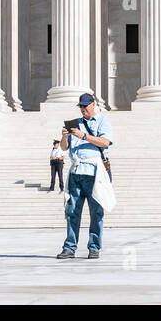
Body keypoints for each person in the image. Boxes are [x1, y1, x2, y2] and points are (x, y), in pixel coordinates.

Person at [56, 93, 113, 260]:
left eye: (85, 106)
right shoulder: (76, 123)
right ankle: (69, 247)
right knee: (72, 211)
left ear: (93, 104)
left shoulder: (102, 121)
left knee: (96, 212)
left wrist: (84, 136)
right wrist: (65, 136)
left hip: (94, 172)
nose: (83, 109)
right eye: (81, 106)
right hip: (76, 172)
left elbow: (105, 142)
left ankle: (94, 247)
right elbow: (64, 148)